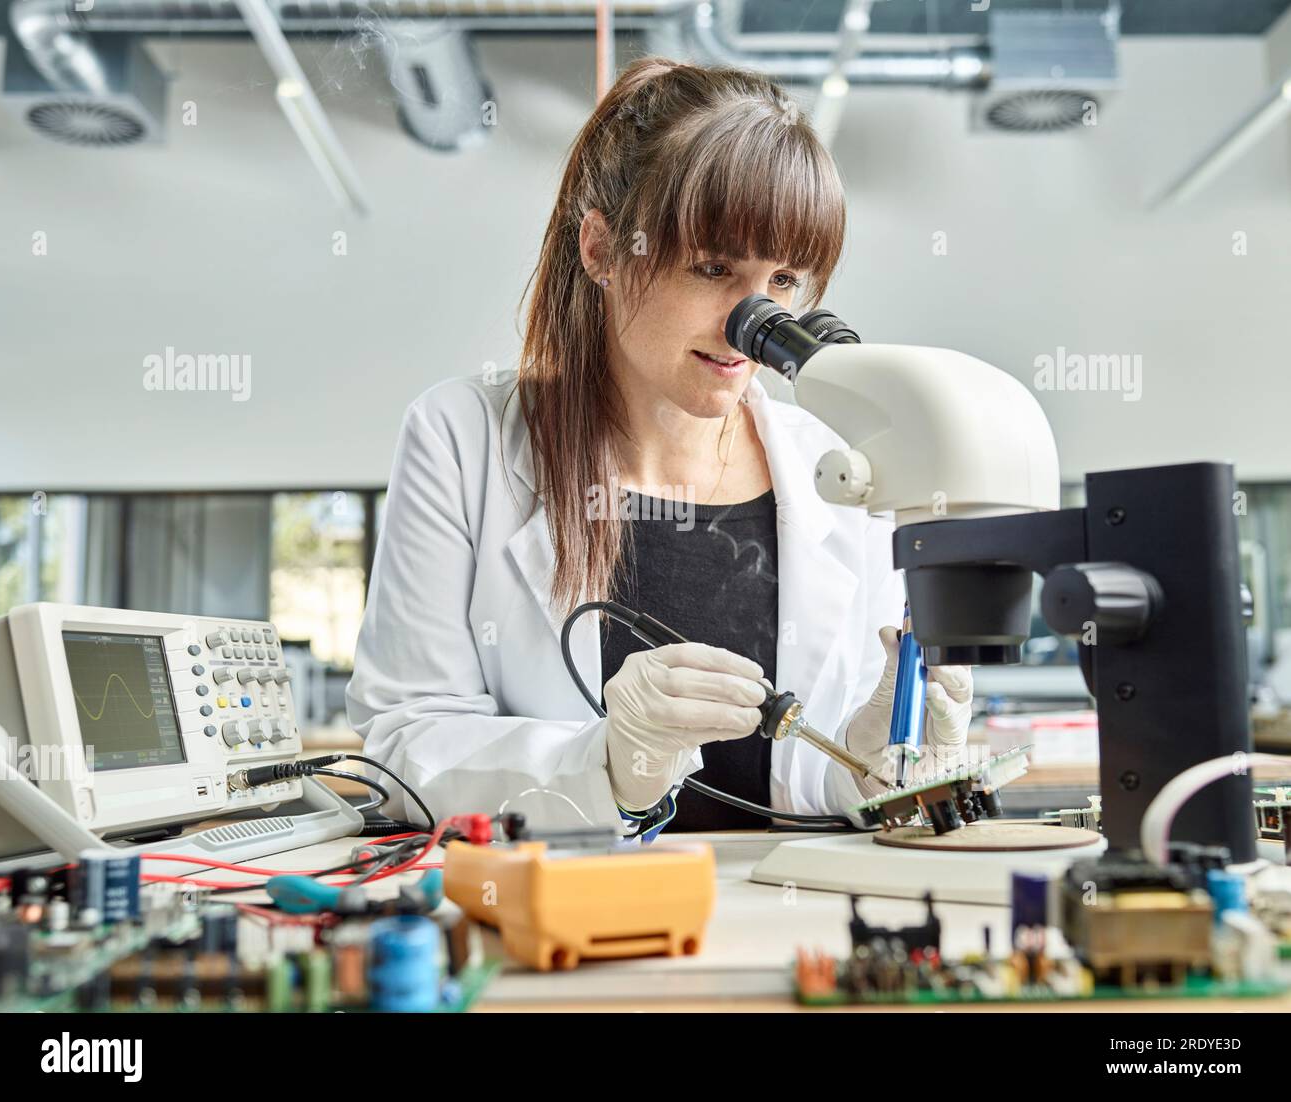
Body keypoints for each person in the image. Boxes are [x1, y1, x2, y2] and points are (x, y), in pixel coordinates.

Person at [346, 56, 972, 837]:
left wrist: (867, 759)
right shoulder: (463, 437)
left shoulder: (839, 468)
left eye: (782, 282)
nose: (755, 324)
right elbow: (404, 743)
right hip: (560, 928)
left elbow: (817, 779)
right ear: (601, 250)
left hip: (780, 922)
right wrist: (608, 764)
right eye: (713, 268)